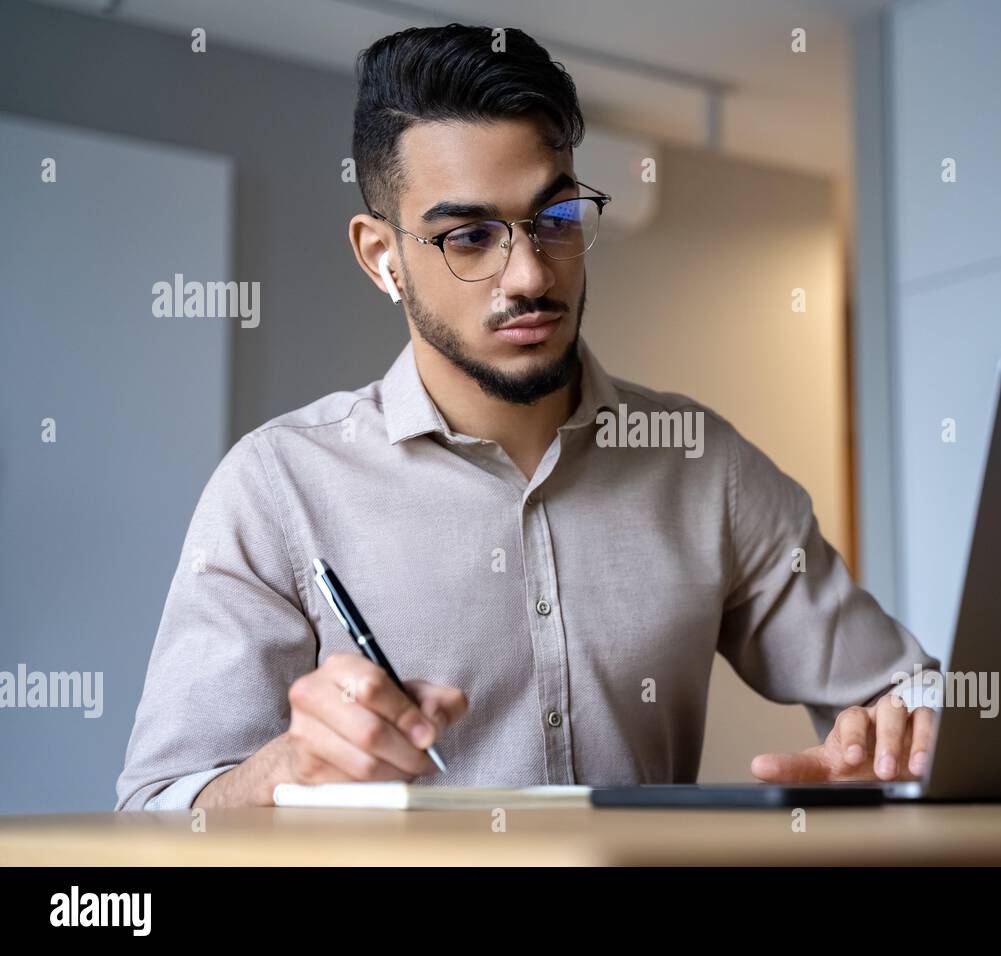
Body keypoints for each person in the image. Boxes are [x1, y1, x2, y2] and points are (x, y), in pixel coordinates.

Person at [115, 23, 939, 811]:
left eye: (554, 220)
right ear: (382, 259)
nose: (530, 276)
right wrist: (286, 770)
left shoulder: (702, 463)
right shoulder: (277, 484)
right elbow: (154, 810)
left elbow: (906, 687)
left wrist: (902, 733)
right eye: (469, 237)